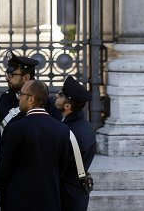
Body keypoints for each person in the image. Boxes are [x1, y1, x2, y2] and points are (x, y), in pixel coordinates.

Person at [0, 80, 74, 211]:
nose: (19, 98)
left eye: (21, 94)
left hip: (19, 201)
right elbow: (63, 167)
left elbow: (3, 170)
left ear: (31, 99)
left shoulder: (15, 128)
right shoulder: (62, 129)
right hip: (50, 200)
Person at [54, 76, 96, 211]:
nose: (56, 96)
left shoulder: (68, 132)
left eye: (60, 95)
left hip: (67, 195)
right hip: (78, 192)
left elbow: (59, 166)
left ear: (67, 106)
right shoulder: (85, 126)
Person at [0, 53, 60, 137]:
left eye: (12, 75)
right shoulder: (6, 98)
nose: (7, 78)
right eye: (7, 74)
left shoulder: (45, 101)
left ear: (26, 77)